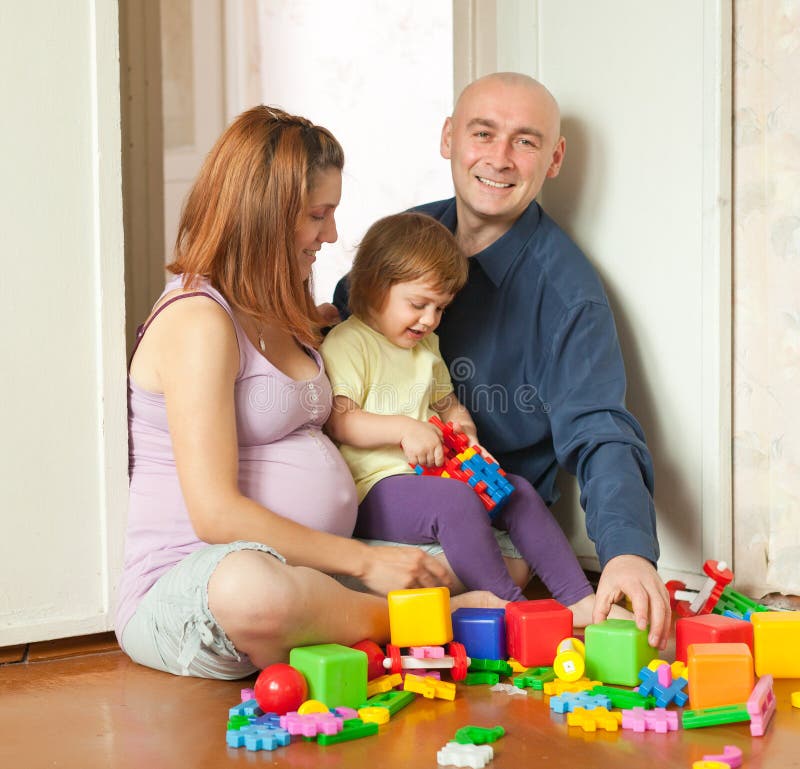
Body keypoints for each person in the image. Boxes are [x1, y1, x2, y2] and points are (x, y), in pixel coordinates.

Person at [115, 106, 502, 680]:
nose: (332, 234)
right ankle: (409, 621)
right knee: (253, 589)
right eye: (318, 215)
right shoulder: (197, 321)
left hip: (314, 569)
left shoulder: (284, 312)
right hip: (196, 580)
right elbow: (216, 515)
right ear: (263, 217)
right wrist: (367, 560)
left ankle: (349, 618)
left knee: (501, 563)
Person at [333, 73, 671, 649]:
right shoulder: (408, 237)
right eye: (483, 133)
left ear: (555, 157)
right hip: (378, 495)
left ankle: (545, 613)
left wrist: (628, 552)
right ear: (448, 138)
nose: (500, 158)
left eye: (526, 141)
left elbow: (600, 430)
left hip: (486, 523)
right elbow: (341, 335)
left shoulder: (567, 294)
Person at [321, 211, 631, 627]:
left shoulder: (424, 345)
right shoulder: (350, 342)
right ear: (376, 285)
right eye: (418, 304)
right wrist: (404, 429)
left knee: (516, 491)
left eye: (440, 309)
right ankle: (511, 607)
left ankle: (579, 600)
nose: (429, 319)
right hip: (374, 487)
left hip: (433, 474)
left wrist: (465, 434)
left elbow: (447, 404)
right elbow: (340, 422)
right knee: (456, 503)